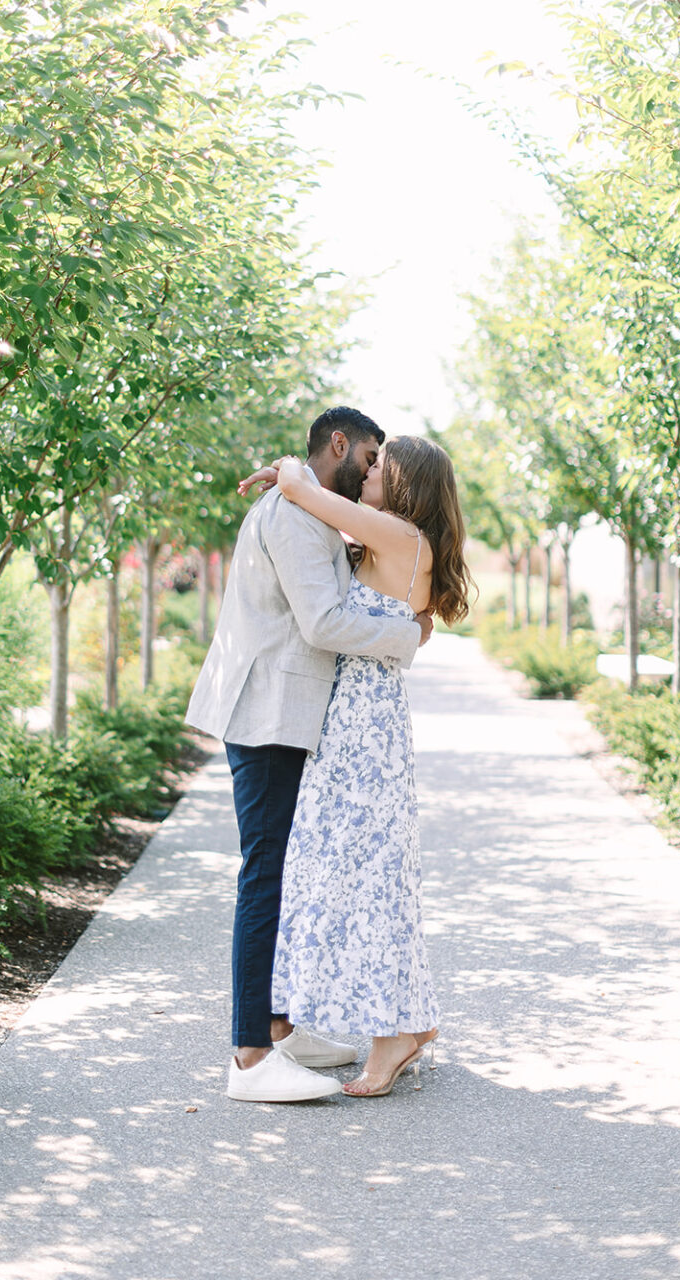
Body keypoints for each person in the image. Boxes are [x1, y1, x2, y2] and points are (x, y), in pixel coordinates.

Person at [185, 407, 433, 1104]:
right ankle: (251, 1057)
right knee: (265, 873)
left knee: (281, 870)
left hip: (284, 711)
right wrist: (407, 636)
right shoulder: (295, 516)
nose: (374, 468)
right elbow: (322, 622)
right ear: (340, 445)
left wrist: (295, 480)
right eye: (372, 455)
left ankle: (281, 1028)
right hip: (267, 709)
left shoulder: (309, 507)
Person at [258, 436, 469, 1098]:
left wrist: (289, 471)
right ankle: (403, 1026)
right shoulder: (390, 542)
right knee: (354, 872)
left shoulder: (405, 537)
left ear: (408, 485)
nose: (368, 470)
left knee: (375, 878)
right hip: (350, 723)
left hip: (366, 730)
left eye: (380, 465)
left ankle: (392, 1039)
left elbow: (303, 491)